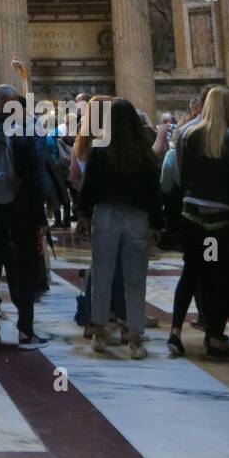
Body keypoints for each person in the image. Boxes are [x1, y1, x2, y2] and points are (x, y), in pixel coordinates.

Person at [78, 99, 163, 359]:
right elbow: (154, 191)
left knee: (102, 275)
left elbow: (88, 187)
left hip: (105, 216)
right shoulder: (144, 152)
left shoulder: (101, 150)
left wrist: (82, 215)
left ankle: (100, 334)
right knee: (135, 279)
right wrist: (157, 224)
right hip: (136, 218)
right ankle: (135, 338)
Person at [170, 86, 229, 359]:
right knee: (221, 278)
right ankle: (215, 338)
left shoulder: (190, 135)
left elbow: (184, 178)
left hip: (193, 217)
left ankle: (175, 331)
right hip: (222, 224)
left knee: (192, 273)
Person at [0, 84, 49, 349]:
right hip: (21, 213)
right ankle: (25, 330)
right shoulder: (24, 134)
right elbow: (34, 181)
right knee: (23, 271)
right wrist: (40, 220)